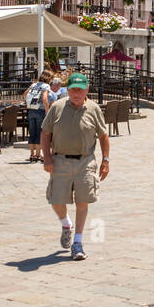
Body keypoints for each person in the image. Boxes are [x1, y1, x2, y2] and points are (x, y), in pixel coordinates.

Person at [41, 72, 110, 261]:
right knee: (56, 200)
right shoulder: (57, 107)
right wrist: (46, 157)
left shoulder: (94, 109)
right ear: (67, 91)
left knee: (82, 201)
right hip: (60, 160)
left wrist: (106, 161)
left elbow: (103, 136)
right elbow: (45, 134)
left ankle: (77, 242)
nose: (76, 94)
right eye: (73, 90)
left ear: (87, 89)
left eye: (80, 90)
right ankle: (66, 224)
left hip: (85, 161)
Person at [24, 69, 54, 163]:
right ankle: (38, 155)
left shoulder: (34, 84)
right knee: (39, 133)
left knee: (32, 132)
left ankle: (32, 154)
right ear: (49, 78)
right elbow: (44, 99)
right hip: (40, 111)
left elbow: (25, 94)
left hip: (31, 110)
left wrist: (28, 103)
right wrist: (48, 111)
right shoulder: (46, 86)